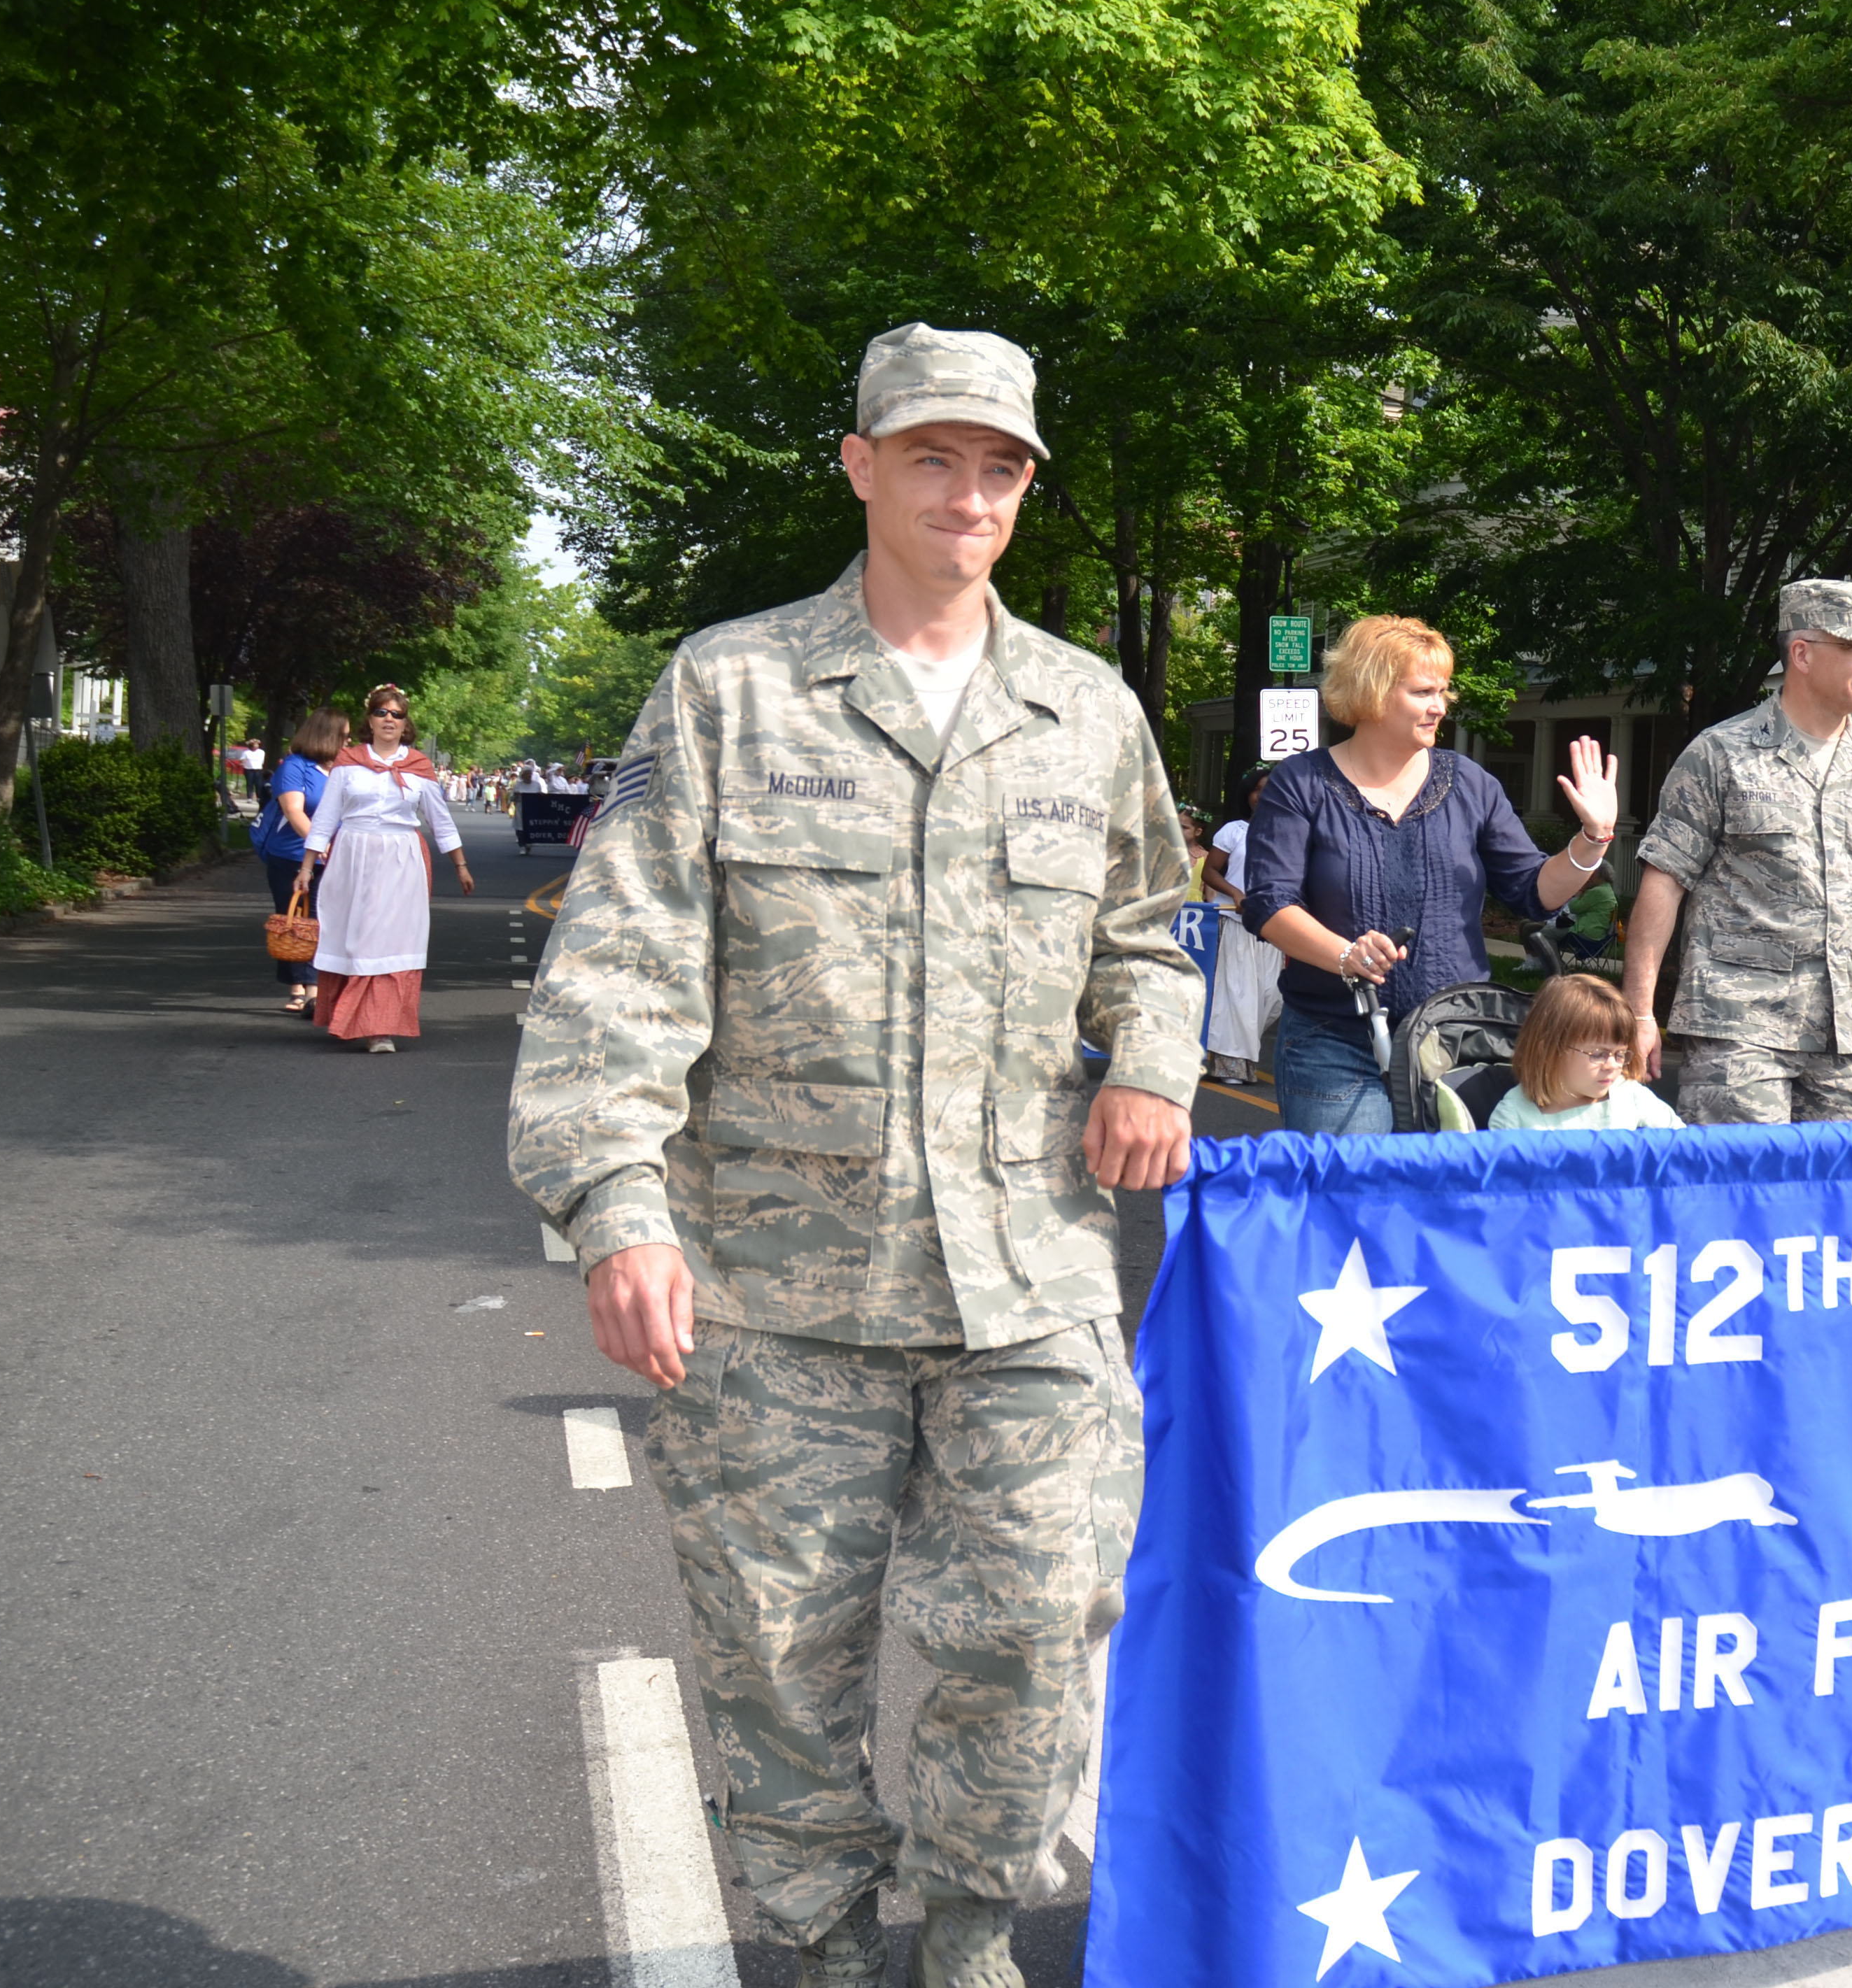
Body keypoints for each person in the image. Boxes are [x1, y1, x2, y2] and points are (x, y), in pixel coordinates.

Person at [507, 322, 1208, 1987]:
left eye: (1002, 466)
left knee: (1039, 1625)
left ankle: (970, 1936)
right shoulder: (730, 689)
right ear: (861, 466)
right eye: (932, 457)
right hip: (773, 1286)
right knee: (779, 1656)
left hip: (1028, 1273)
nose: (969, 493)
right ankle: (822, 1950)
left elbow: (1151, 931)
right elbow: (621, 962)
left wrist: (1154, 1062)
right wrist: (615, 1204)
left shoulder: (1085, 708)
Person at [1240, 618, 1623, 1135]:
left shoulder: (1470, 784)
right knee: (1356, 1186)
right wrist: (1346, 956)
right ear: (1371, 692)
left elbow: (1534, 893)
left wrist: (1593, 838)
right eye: (1423, 692)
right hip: (1335, 1039)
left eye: (1442, 691)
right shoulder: (1300, 783)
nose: (1440, 706)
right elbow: (1269, 902)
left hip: (1455, 1041)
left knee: (1452, 1190)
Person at [1620, 580, 1852, 1123]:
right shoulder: (1721, 754)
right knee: (1745, 1177)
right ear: (1801, 654)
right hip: (1740, 1030)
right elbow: (1664, 882)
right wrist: (1639, 1013)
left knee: (1840, 1180)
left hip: (1848, 1037)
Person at [302, 687, 472, 1051]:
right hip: (352, 856)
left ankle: (380, 1028)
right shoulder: (348, 762)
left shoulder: (419, 767)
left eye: (396, 714)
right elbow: (326, 818)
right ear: (370, 720)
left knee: (390, 940)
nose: (389, 719)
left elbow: (441, 822)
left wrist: (460, 865)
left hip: (400, 859)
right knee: (356, 937)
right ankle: (354, 1017)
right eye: (381, 713)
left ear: (406, 723)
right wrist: (306, 867)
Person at [1490, 972, 1685, 1131]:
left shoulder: (1628, 1095)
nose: (1612, 1066)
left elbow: (1682, 1145)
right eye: (1599, 1054)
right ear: (1551, 1050)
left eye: (1620, 1054)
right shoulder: (1514, 1117)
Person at [257, 711, 344, 1012]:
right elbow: (294, 810)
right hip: (291, 856)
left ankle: (305, 988)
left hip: (335, 857)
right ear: (327, 736)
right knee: (295, 919)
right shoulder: (295, 767)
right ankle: (307, 991)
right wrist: (319, 845)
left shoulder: (344, 769)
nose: (349, 742)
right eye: (344, 736)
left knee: (318, 921)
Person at [1201, 771, 1282, 1086]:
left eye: (1270, 789)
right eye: (1256, 789)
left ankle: (1238, 1057)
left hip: (1274, 925)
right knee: (1237, 996)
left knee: (1272, 996)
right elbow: (1210, 871)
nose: (1262, 795)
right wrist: (1235, 894)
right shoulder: (1234, 831)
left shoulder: (1292, 829)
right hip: (1236, 923)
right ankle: (1230, 1065)